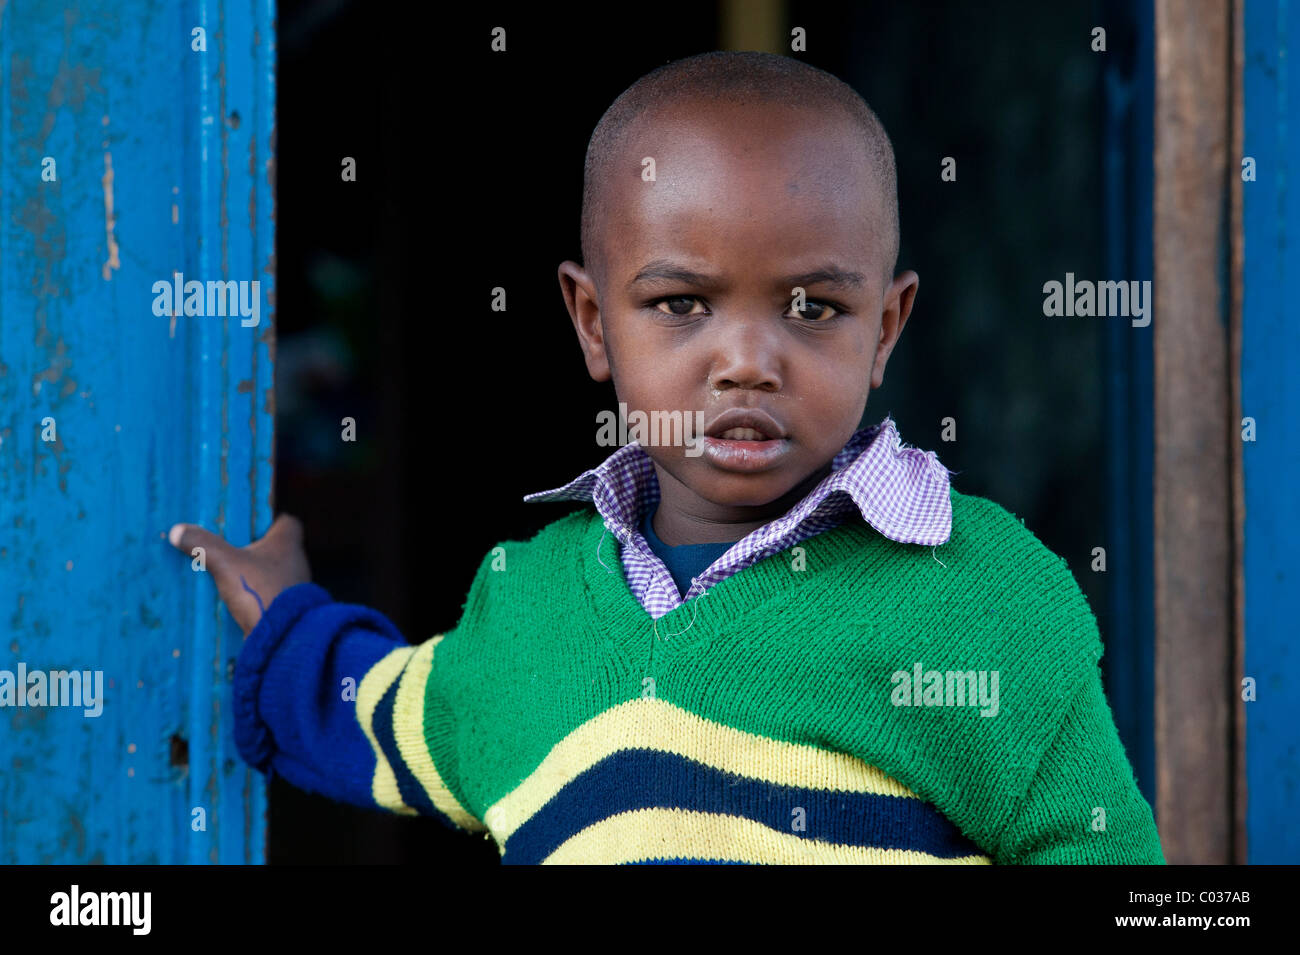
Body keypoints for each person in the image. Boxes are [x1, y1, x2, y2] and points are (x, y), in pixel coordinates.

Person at [169, 51, 1164, 865]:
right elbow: (390, 716)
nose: (745, 362)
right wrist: (286, 617)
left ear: (887, 327)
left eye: (814, 307)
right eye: (681, 304)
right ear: (594, 323)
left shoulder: (981, 595)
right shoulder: (529, 610)